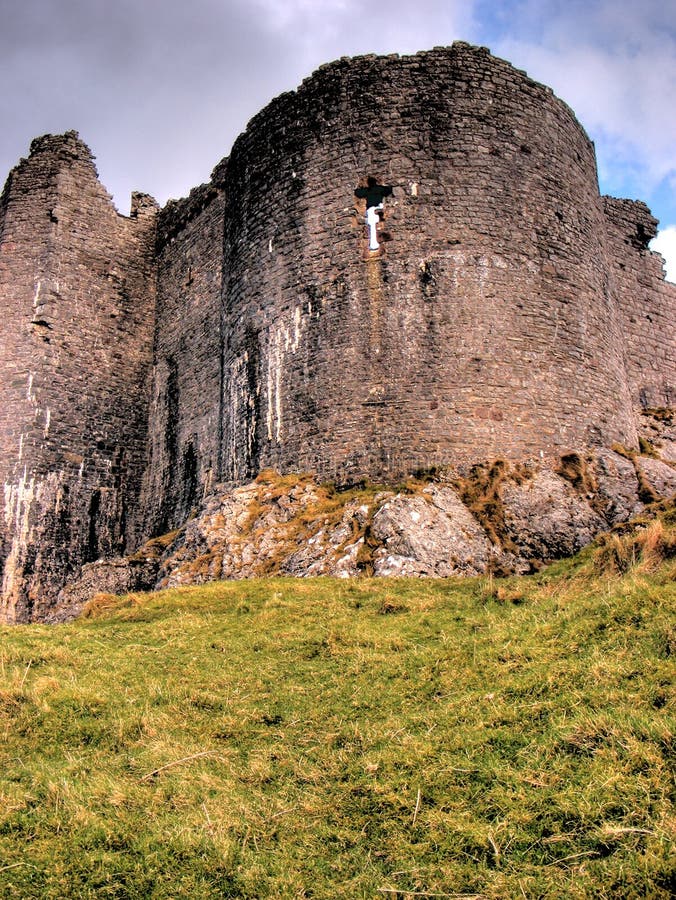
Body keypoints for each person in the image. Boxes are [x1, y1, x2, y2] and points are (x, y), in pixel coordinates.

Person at [355, 177, 392, 250]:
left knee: (372, 224)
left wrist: (359, 187)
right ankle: (374, 244)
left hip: (371, 210)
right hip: (377, 208)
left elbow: (358, 193)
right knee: (374, 223)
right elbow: (389, 190)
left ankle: (374, 244)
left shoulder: (367, 190)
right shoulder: (379, 188)